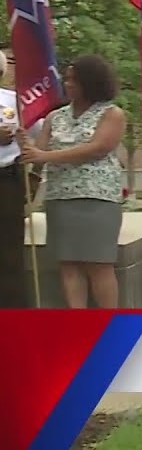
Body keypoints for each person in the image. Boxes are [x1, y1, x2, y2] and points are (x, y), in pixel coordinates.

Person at [19, 55, 127, 308]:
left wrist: (45, 155)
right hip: (60, 199)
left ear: (90, 82)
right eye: (66, 79)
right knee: (69, 265)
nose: (67, 84)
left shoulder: (112, 114)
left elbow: (98, 148)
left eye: (73, 80)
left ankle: (108, 325)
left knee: (99, 264)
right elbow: (39, 155)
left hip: (97, 199)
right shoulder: (54, 117)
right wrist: (27, 147)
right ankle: (77, 324)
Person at [0, 50, 43, 307]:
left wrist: (36, 173)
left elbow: (43, 133)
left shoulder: (15, 102)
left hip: (7, 182)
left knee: (10, 256)